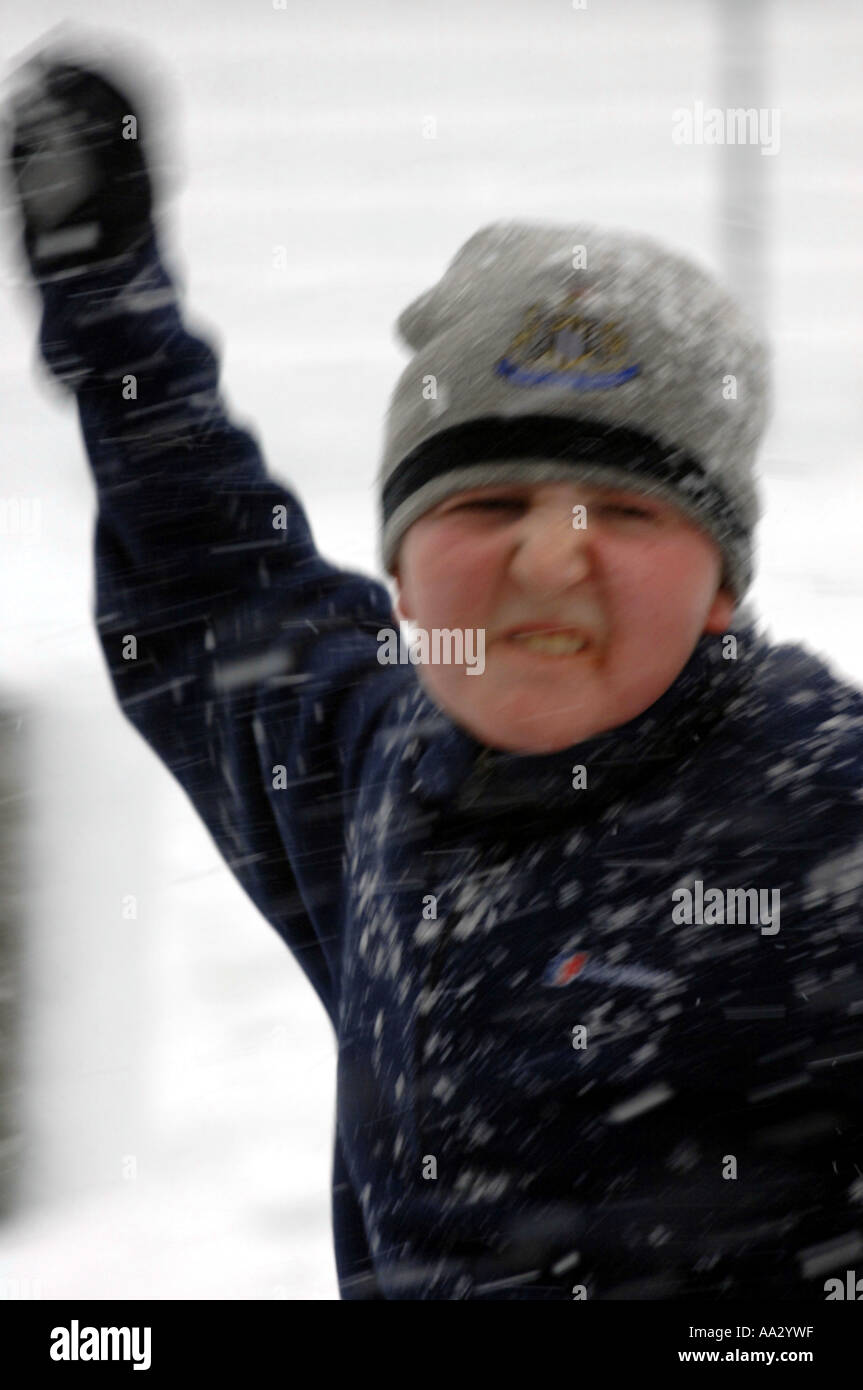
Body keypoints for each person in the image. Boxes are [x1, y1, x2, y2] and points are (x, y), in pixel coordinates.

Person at [8, 51, 863, 1302]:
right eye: (493, 497)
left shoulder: (821, 807)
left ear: (719, 594)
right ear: (402, 575)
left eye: (623, 513)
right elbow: (210, 576)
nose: (548, 553)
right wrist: (110, 310)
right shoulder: (377, 763)